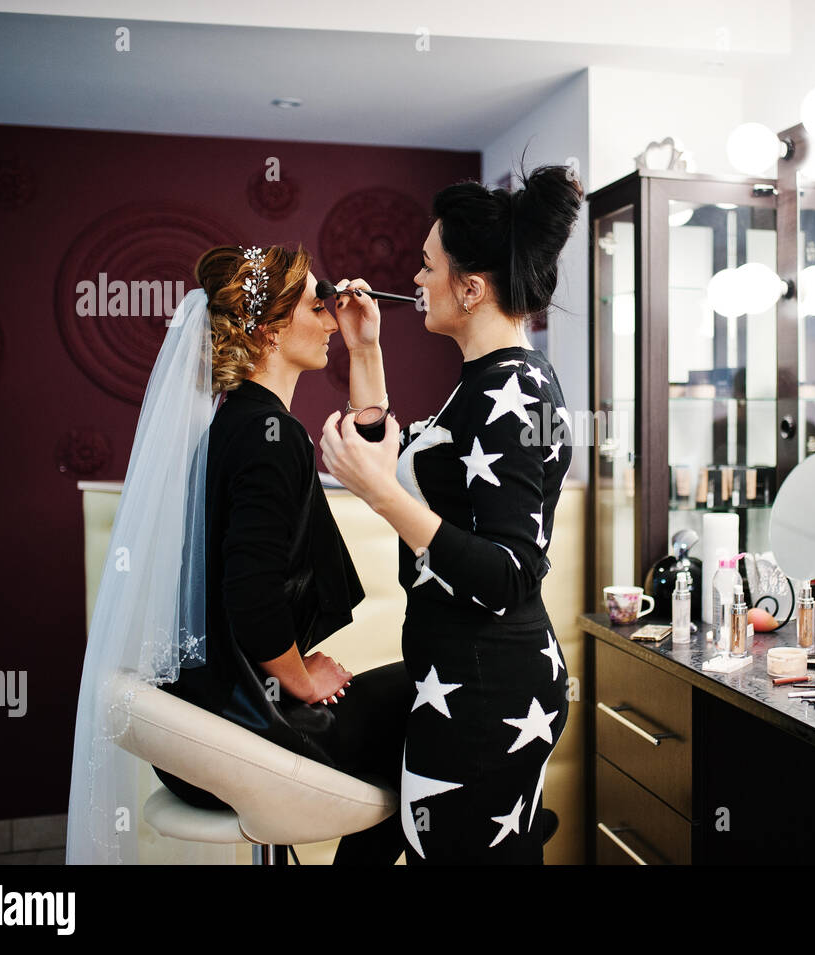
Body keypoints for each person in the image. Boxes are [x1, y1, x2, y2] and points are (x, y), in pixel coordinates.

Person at [67, 243, 414, 864]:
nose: (333, 318)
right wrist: (300, 678)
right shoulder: (268, 438)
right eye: (318, 305)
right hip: (244, 733)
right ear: (271, 329)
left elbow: (372, 443)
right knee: (431, 692)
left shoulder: (239, 423)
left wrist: (367, 347)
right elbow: (251, 601)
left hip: (209, 725)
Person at [319, 164, 582, 863]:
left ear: (470, 288)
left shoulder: (518, 390)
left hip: (491, 691)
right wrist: (365, 349)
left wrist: (379, 493)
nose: (417, 277)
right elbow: (419, 473)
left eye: (428, 265)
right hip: (452, 676)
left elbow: (509, 573)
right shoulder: (484, 381)